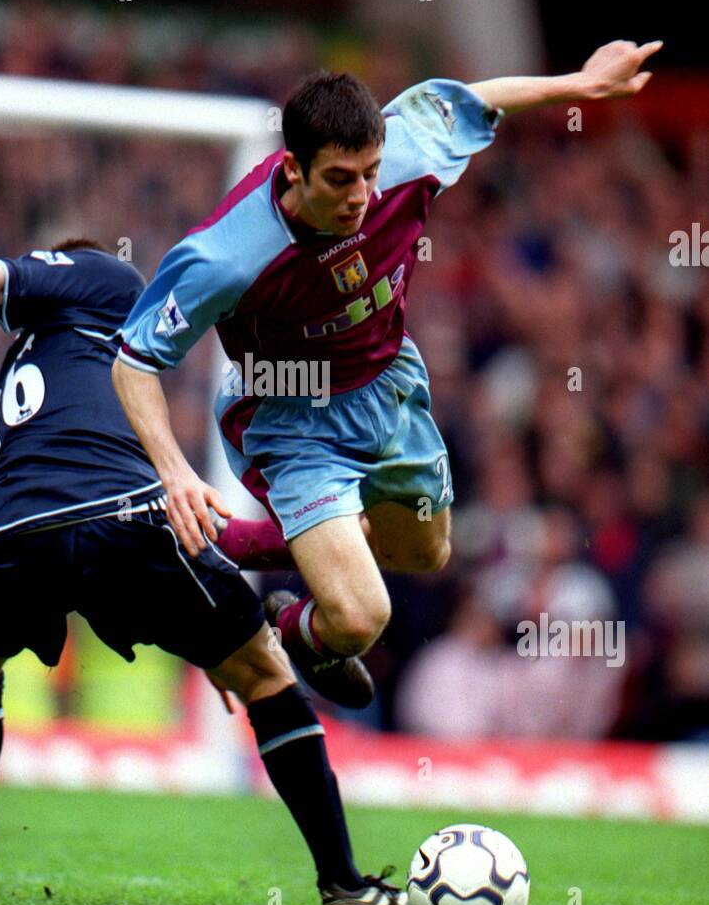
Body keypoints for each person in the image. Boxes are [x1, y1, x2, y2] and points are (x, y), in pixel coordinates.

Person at [0, 240, 409, 905]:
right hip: (119, 524)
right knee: (263, 672)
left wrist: (241, 603)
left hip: (12, 536)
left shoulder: (36, 370)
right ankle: (344, 885)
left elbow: (162, 516)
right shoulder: (106, 278)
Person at [112, 41, 663, 710]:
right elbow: (135, 359)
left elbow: (480, 97)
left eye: (370, 174)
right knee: (360, 618)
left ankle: (256, 569)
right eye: (341, 179)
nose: (362, 197)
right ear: (293, 169)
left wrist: (581, 81)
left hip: (387, 382)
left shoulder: (405, 150)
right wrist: (175, 474)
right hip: (291, 408)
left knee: (425, 552)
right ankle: (275, 624)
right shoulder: (227, 253)